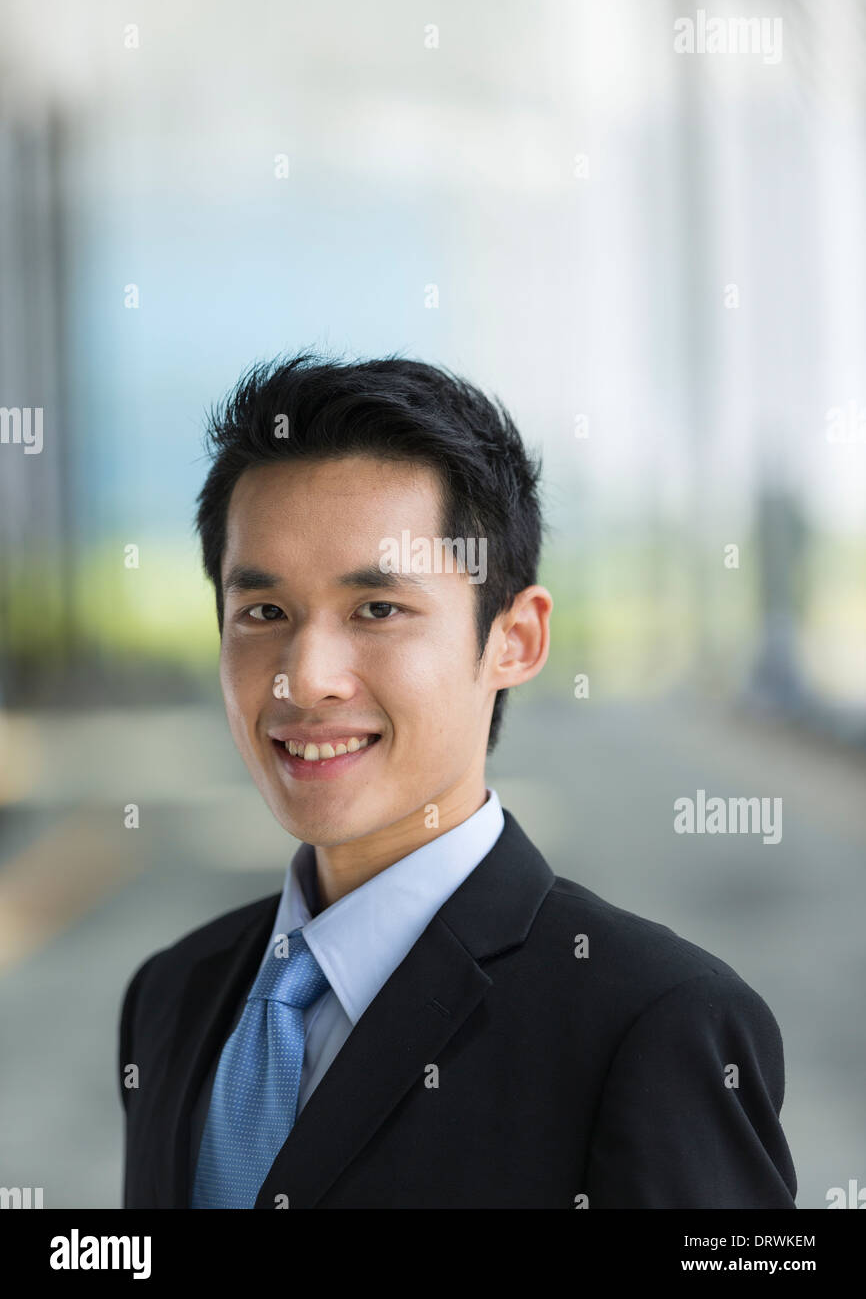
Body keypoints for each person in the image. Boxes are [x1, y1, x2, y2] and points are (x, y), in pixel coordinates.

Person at [119, 351, 797, 1209]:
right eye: (263, 613)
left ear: (513, 639)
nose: (306, 677)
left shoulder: (657, 1025)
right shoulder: (172, 996)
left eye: (378, 609)